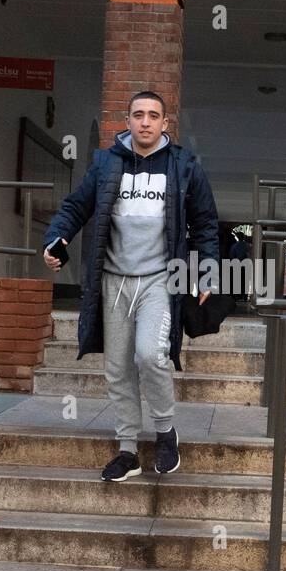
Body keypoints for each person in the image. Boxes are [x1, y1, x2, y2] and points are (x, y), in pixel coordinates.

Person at [42, 91, 219, 481]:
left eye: (153, 116)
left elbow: (205, 222)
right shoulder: (106, 163)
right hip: (113, 280)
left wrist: (206, 270)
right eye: (138, 114)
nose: (145, 122)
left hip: (159, 279)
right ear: (127, 120)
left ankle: (165, 431)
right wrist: (57, 238)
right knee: (118, 367)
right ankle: (127, 451)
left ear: (165, 124)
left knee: (151, 356)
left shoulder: (184, 165)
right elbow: (76, 206)